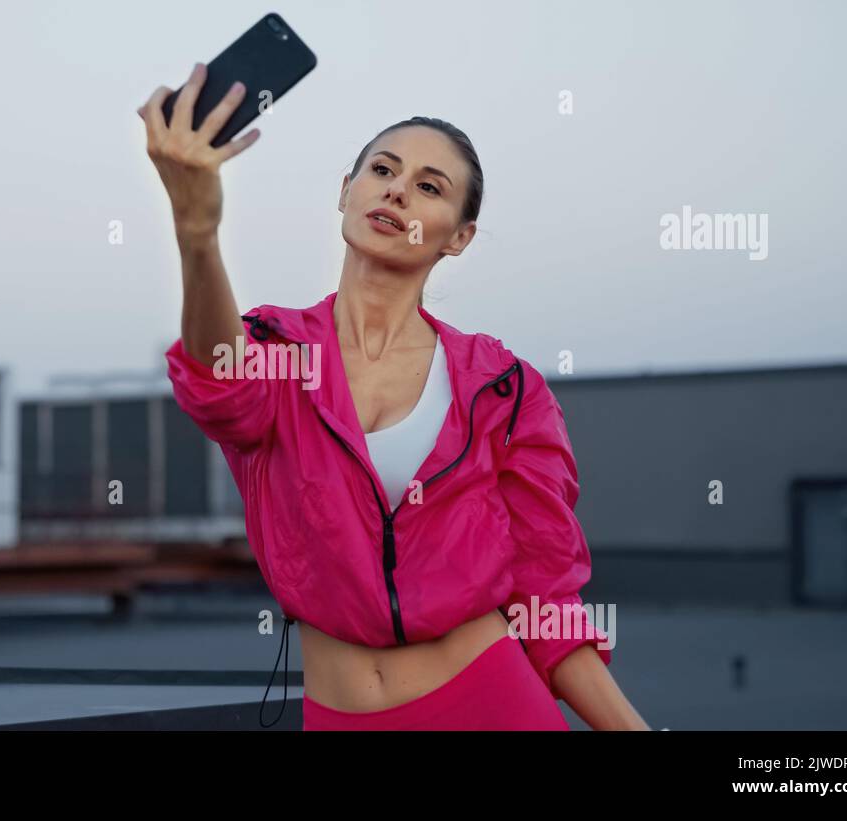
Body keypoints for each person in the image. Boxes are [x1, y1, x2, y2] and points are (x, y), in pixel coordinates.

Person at [137, 63, 649, 731]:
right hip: (340, 713)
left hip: (490, 700)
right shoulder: (276, 353)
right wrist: (197, 233)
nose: (397, 191)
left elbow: (544, 600)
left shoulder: (505, 389)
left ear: (458, 237)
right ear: (345, 191)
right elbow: (217, 389)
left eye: (429, 187)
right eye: (382, 170)